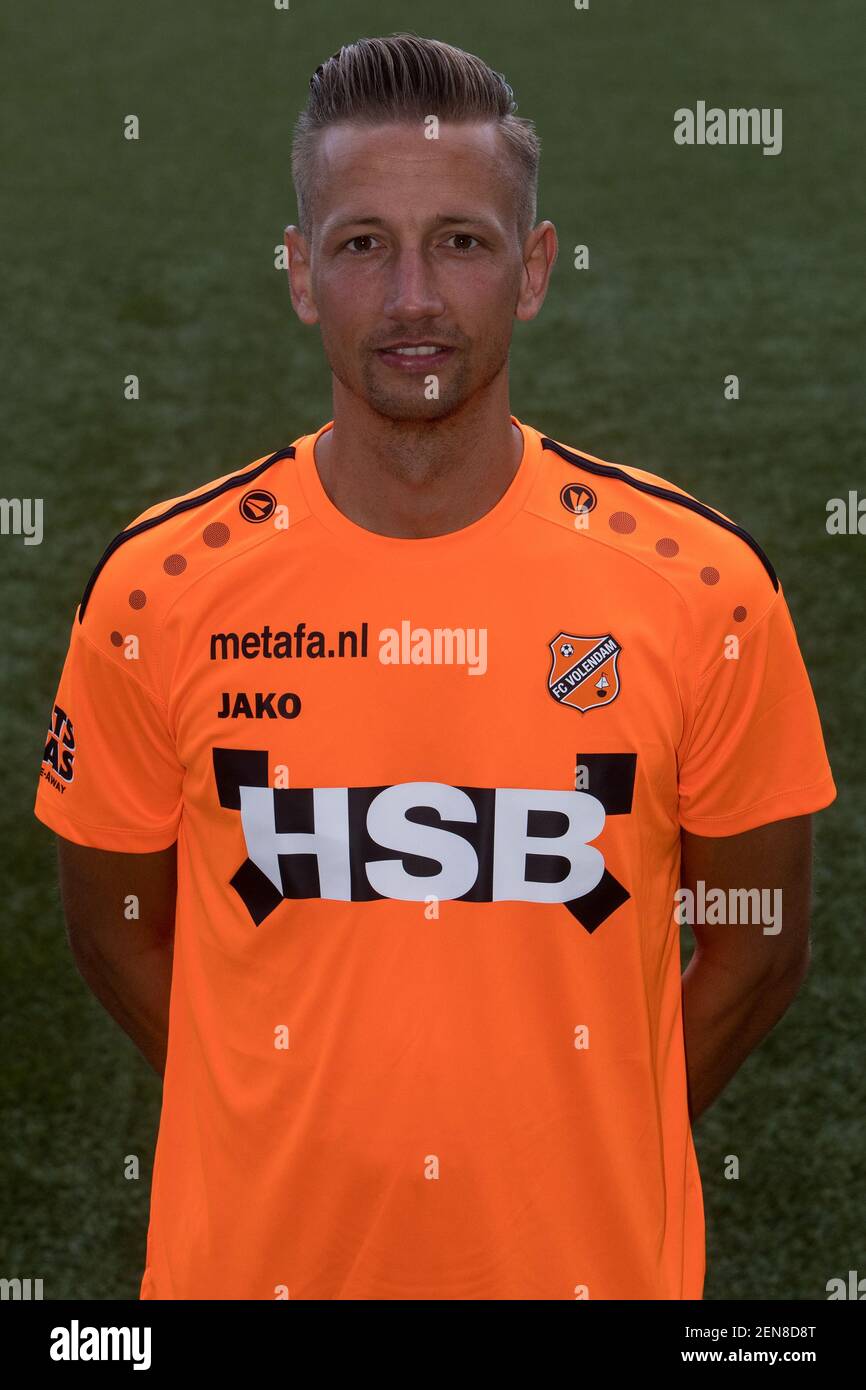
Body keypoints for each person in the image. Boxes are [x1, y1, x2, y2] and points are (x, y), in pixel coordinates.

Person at [34, 33, 836, 1300]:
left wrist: (586, 1139)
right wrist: (275, 1104)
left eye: (459, 242)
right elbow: (118, 927)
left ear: (531, 271)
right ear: (301, 277)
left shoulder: (701, 588)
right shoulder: (158, 591)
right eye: (362, 244)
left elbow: (758, 942)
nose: (411, 298)